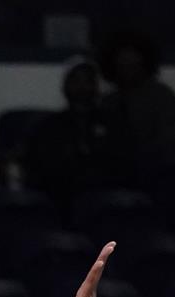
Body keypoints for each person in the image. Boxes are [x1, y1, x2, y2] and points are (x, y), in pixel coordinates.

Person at [24, 61, 132, 205]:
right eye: (76, 80)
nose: (82, 87)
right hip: (61, 200)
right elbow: (42, 170)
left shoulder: (114, 124)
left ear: (96, 88)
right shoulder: (49, 126)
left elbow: (124, 166)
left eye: (88, 81)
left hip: (107, 200)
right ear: (64, 87)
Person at [99, 30, 175, 165]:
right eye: (122, 62)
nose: (127, 63)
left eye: (132, 63)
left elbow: (168, 142)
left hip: (157, 171)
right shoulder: (109, 101)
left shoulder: (162, 96)